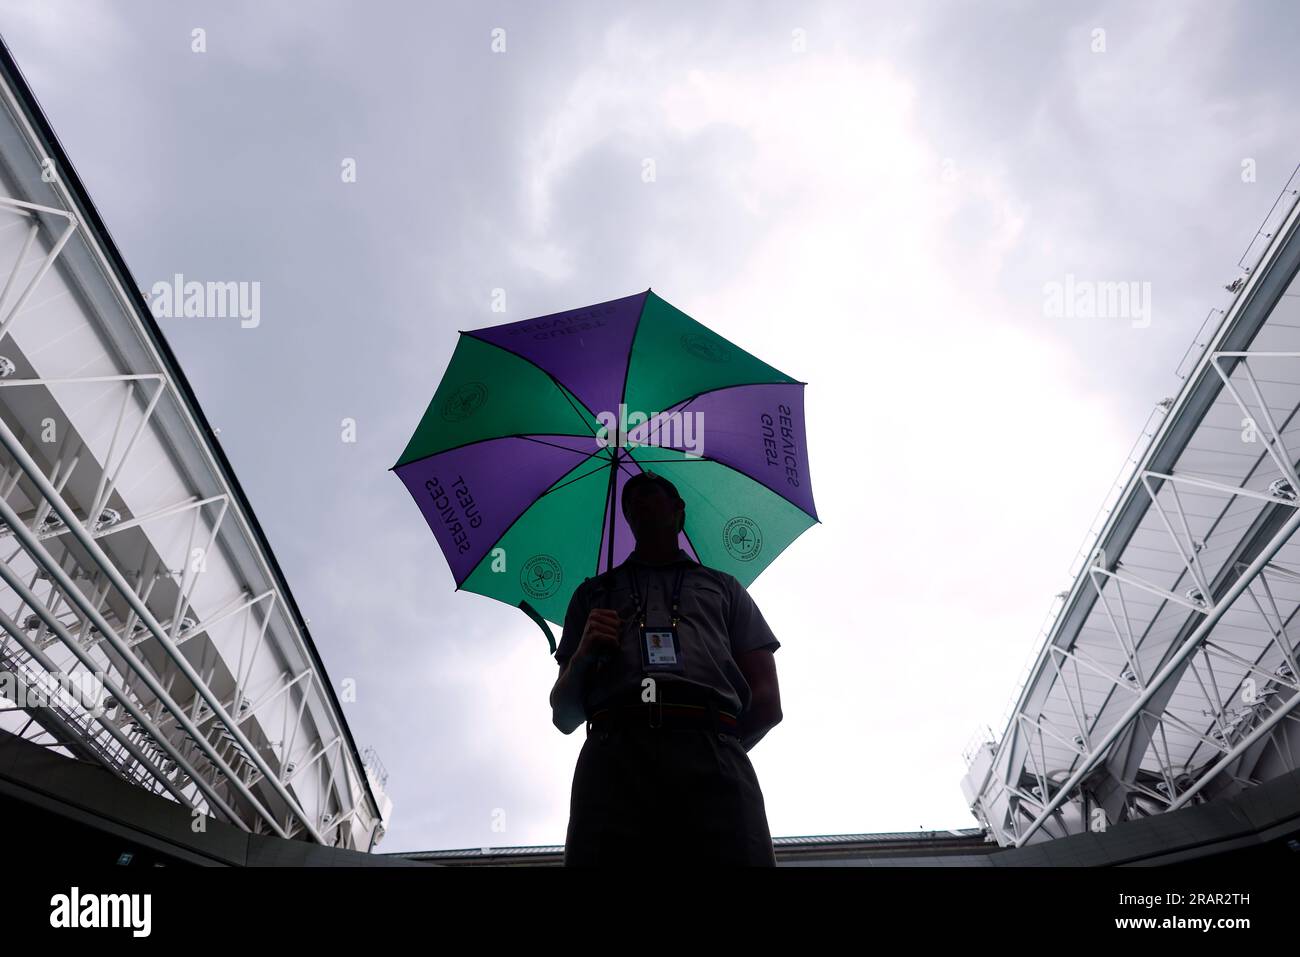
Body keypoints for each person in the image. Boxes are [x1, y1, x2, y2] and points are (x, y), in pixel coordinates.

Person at [549, 470, 783, 866]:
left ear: (678, 510)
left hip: (715, 755)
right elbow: (564, 715)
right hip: (613, 760)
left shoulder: (725, 587)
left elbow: (768, 700)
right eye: (629, 501)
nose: (636, 502)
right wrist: (584, 651)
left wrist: (718, 744)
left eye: (650, 494)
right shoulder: (593, 594)